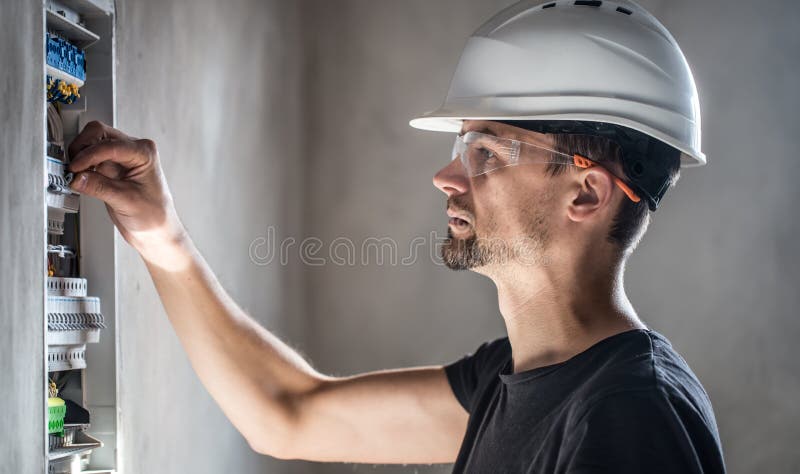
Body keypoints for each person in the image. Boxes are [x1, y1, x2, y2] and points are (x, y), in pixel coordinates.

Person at [67, 1, 726, 472]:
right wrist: (162, 235)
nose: (446, 177)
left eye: (486, 151)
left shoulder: (631, 417)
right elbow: (289, 412)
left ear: (585, 192)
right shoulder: (510, 378)